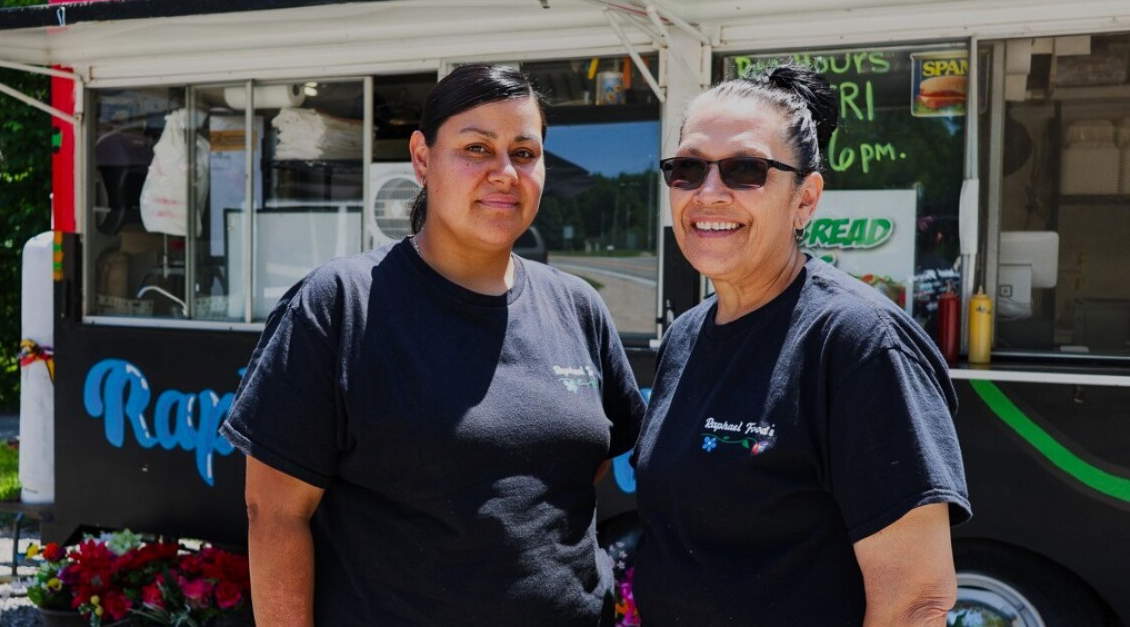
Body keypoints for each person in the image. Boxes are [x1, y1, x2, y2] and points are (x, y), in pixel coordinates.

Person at [219, 64, 645, 627]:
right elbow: (273, 515)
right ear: (422, 159)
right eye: (476, 148)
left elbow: (575, 467)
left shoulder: (577, 306)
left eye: (524, 152)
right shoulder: (342, 304)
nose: (504, 173)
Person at [631, 63, 971, 626]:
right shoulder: (687, 335)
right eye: (687, 169)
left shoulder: (858, 343)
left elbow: (916, 602)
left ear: (805, 199)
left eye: (746, 170)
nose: (708, 193)